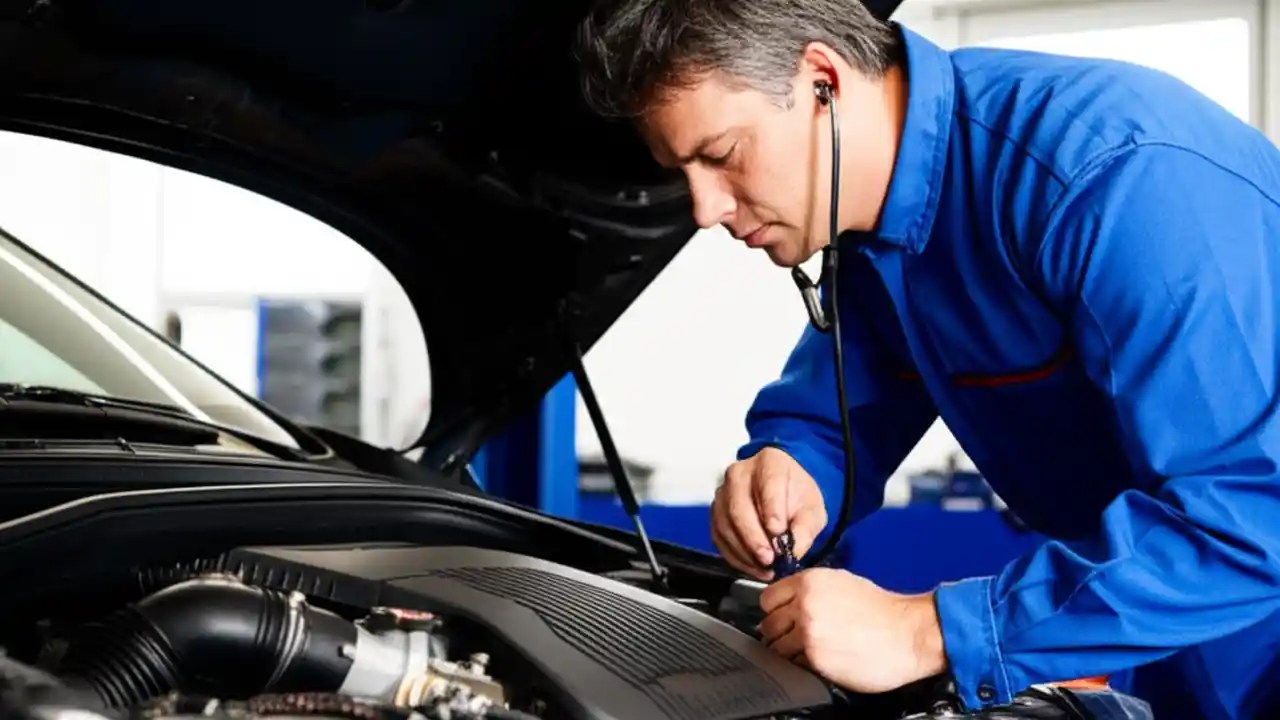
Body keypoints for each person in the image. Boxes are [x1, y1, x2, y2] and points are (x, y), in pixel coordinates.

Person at [574, 1, 1280, 718]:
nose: (702, 208)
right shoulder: (880, 225)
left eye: (721, 155)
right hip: (1163, 617)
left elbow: (1250, 519)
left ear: (823, 82)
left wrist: (926, 630)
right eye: (681, 170)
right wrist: (795, 467)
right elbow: (849, 402)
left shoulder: (1112, 181)